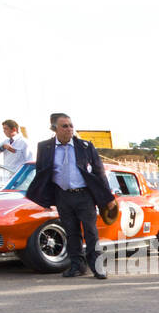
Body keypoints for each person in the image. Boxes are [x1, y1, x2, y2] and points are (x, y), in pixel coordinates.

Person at [26, 113, 117, 279]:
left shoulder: (84, 146)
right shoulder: (45, 147)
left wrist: (108, 198)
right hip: (62, 196)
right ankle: (76, 265)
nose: (69, 129)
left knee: (90, 231)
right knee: (71, 232)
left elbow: (99, 173)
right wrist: (43, 198)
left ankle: (97, 266)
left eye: (70, 125)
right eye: (64, 126)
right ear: (55, 129)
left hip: (84, 195)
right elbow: (42, 173)